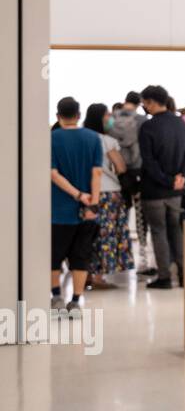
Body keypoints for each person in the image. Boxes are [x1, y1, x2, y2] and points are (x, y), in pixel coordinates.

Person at [50, 96, 102, 314]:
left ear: (57, 116)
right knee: (81, 256)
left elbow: (52, 174)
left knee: (54, 256)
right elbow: (96, 173)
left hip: (58, 210)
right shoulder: (93, 138)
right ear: (79, 116)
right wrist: (93, 204)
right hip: (87, 211)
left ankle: (56, 298)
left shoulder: (51, 138)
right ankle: (76, 302)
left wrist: (77, 194)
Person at [138, 84, 185, 289]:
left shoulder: (148, 127)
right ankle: (184, 274)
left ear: (151, 102)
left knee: (158, 232)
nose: (144, 106)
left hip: (154, 191)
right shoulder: (181, 124)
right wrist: (181, 178)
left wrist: (167, 180)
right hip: (176, 190)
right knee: (176, 230)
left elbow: (149, 162)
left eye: (145, 102)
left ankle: (164, 277)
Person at [83, 103, 129, 288]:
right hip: (108, 192)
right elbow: (121, 167)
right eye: (107, 115)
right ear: (100, 118)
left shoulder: (82, 138)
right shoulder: (107, 141)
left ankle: (85, 274)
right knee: (106, 236)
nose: (110, 118)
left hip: (85, 194)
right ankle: (99, 277)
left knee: (86, 236)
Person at [109, 91, 151, 274]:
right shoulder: (143, 120)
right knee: (142, 218)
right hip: (139, 172)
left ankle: (121, 256)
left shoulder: (111, 119)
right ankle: (143, 256)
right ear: (139, 103)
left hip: (117, 173)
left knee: (121, 216)